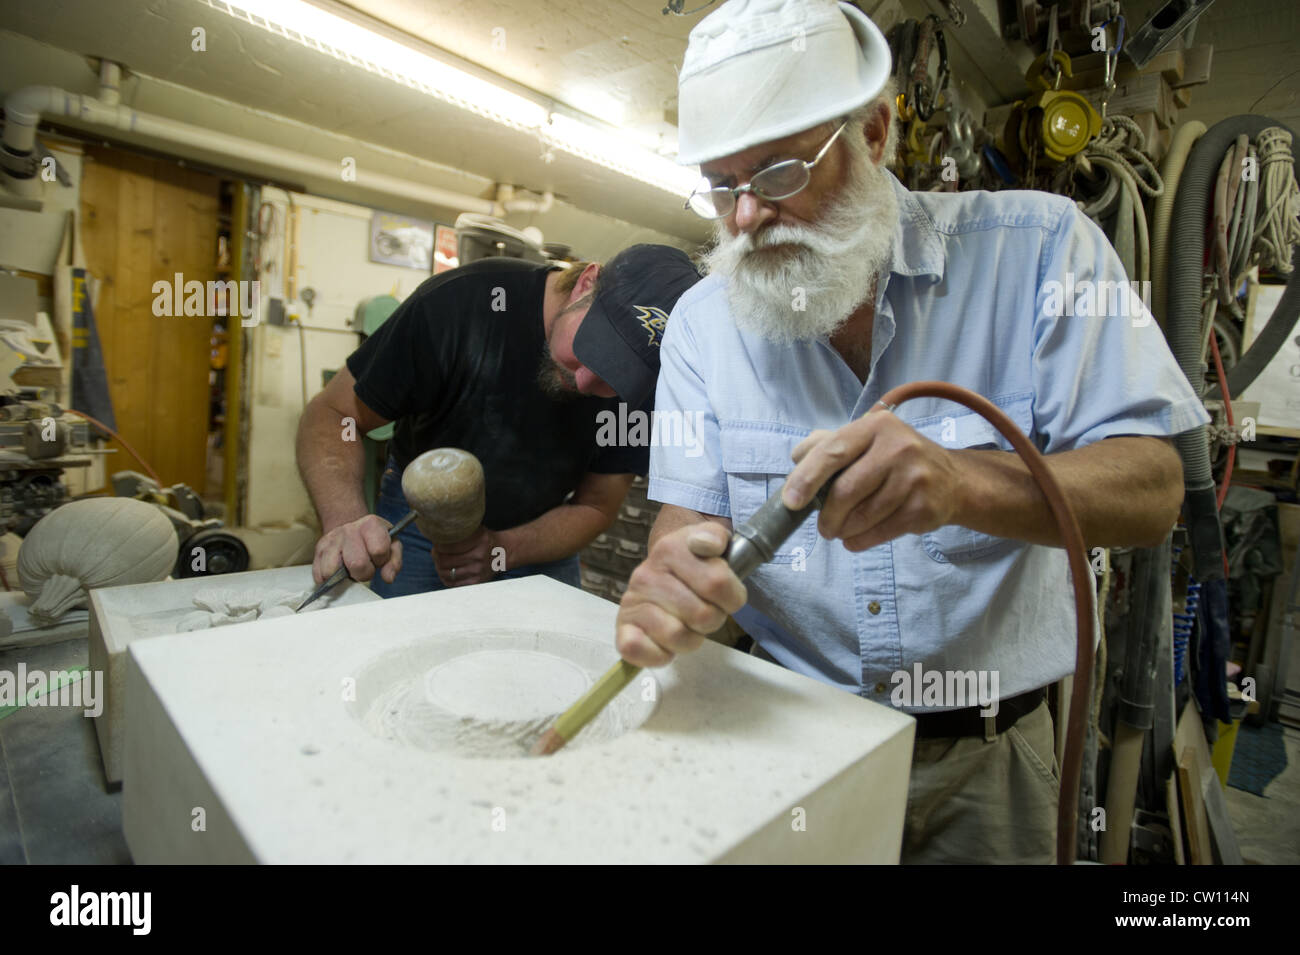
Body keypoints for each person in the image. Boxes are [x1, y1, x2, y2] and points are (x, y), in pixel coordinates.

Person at [615, 0, 1209, 863]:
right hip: (792, 746)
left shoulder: (1043, 251)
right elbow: (689, 522)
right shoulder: (705, 322)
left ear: (877, 132)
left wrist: (968, 485)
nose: (744, 218)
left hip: (989, 763)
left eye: (778, 175)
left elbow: (1152, 490)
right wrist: (672, 577)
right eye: (721, 185)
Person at [296, 244, 701, 596]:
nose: (583, 380)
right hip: (419, 521)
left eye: (615, 374)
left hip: (540, 532)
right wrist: (346, 521)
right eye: (591, 346)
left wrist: (502, 549)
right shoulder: (461, 303)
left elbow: (596, 506)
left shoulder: (651, 388)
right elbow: (333, 414)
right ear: (586, 283)